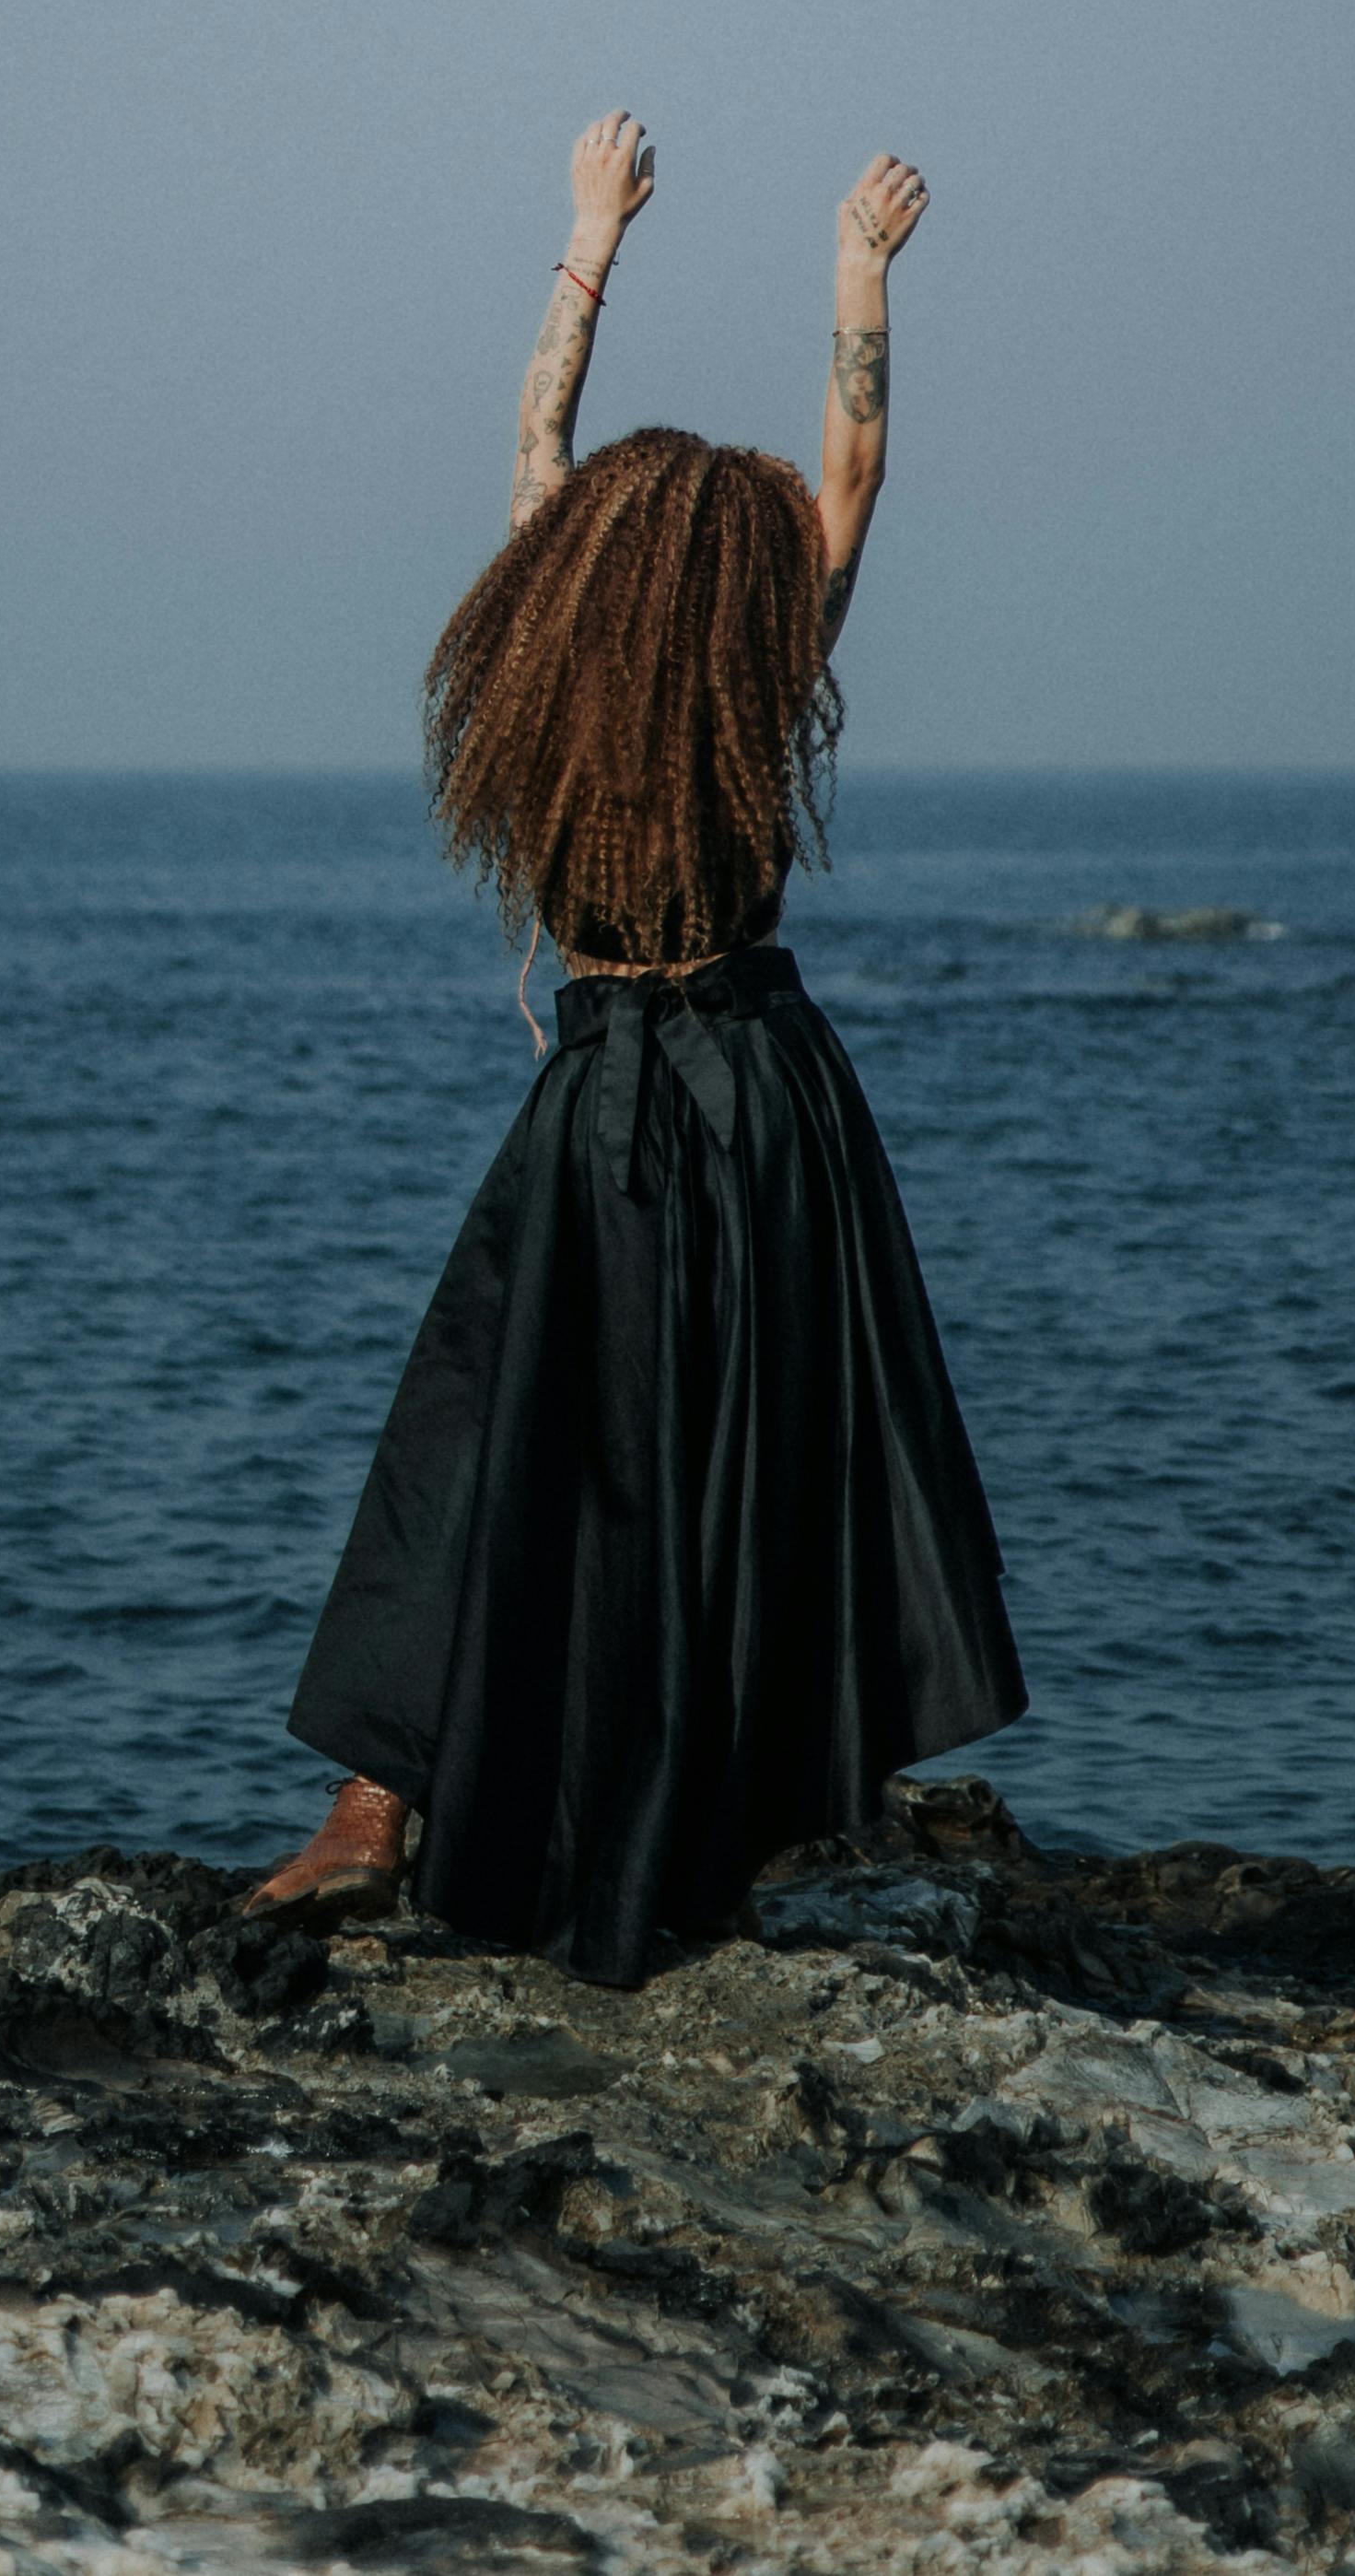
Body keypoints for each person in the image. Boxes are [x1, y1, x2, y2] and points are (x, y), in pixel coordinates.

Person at [254, 112, 1026, 1981]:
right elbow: (849, 463)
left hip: (604, 1089)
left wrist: (587, 240)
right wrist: (859, 271)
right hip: (761, 1093)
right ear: (731, 576)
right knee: (727, 1459)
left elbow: (536, 439)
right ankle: (700, 1821)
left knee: (488, 1436)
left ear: (597, 562)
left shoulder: (550, 651)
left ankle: (382, 1803)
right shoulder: (762, 664)